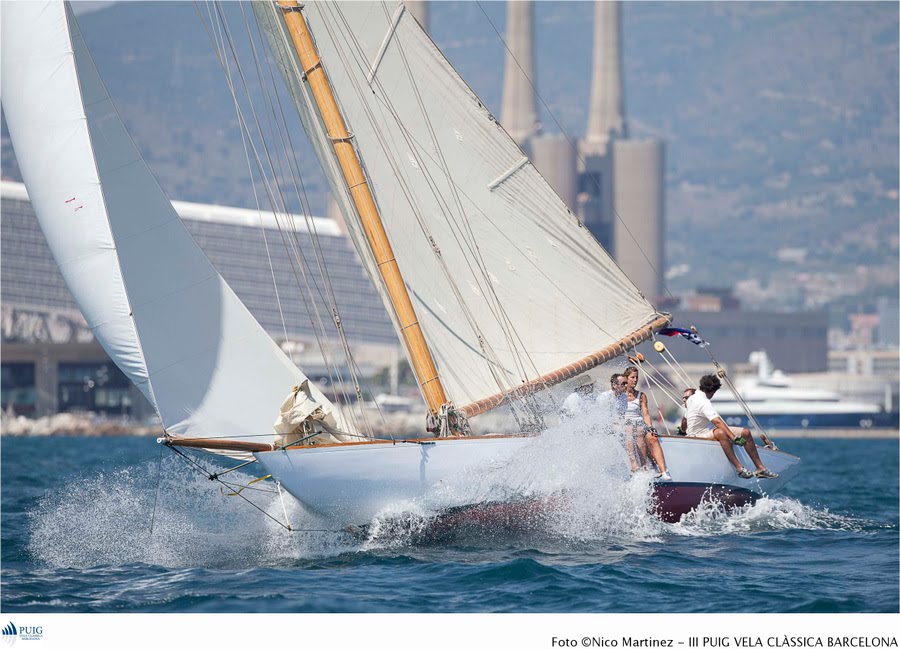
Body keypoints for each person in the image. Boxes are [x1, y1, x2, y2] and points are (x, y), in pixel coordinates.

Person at [684, 374, 778, 479]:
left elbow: (685, 418)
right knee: (721, 433)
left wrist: (682, 430)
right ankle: (739, 468)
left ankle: (760, 468)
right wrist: (733, 437)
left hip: (708, 430)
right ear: (713, 391)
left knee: (745, 432)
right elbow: (717, 422)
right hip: (697, 434)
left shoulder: (691, 398)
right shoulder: (703, 402)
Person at [622, 366, 672, 481]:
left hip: (639, 423)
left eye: (636, 377)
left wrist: (650, 427)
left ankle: (663, 471)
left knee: (652, 438)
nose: (635, 380)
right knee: (635, 433)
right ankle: (642, 467)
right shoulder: (620, 395)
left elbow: (646, 414)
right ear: (626, 378)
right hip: (627, 424)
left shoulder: (641, 395)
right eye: (632, 377)